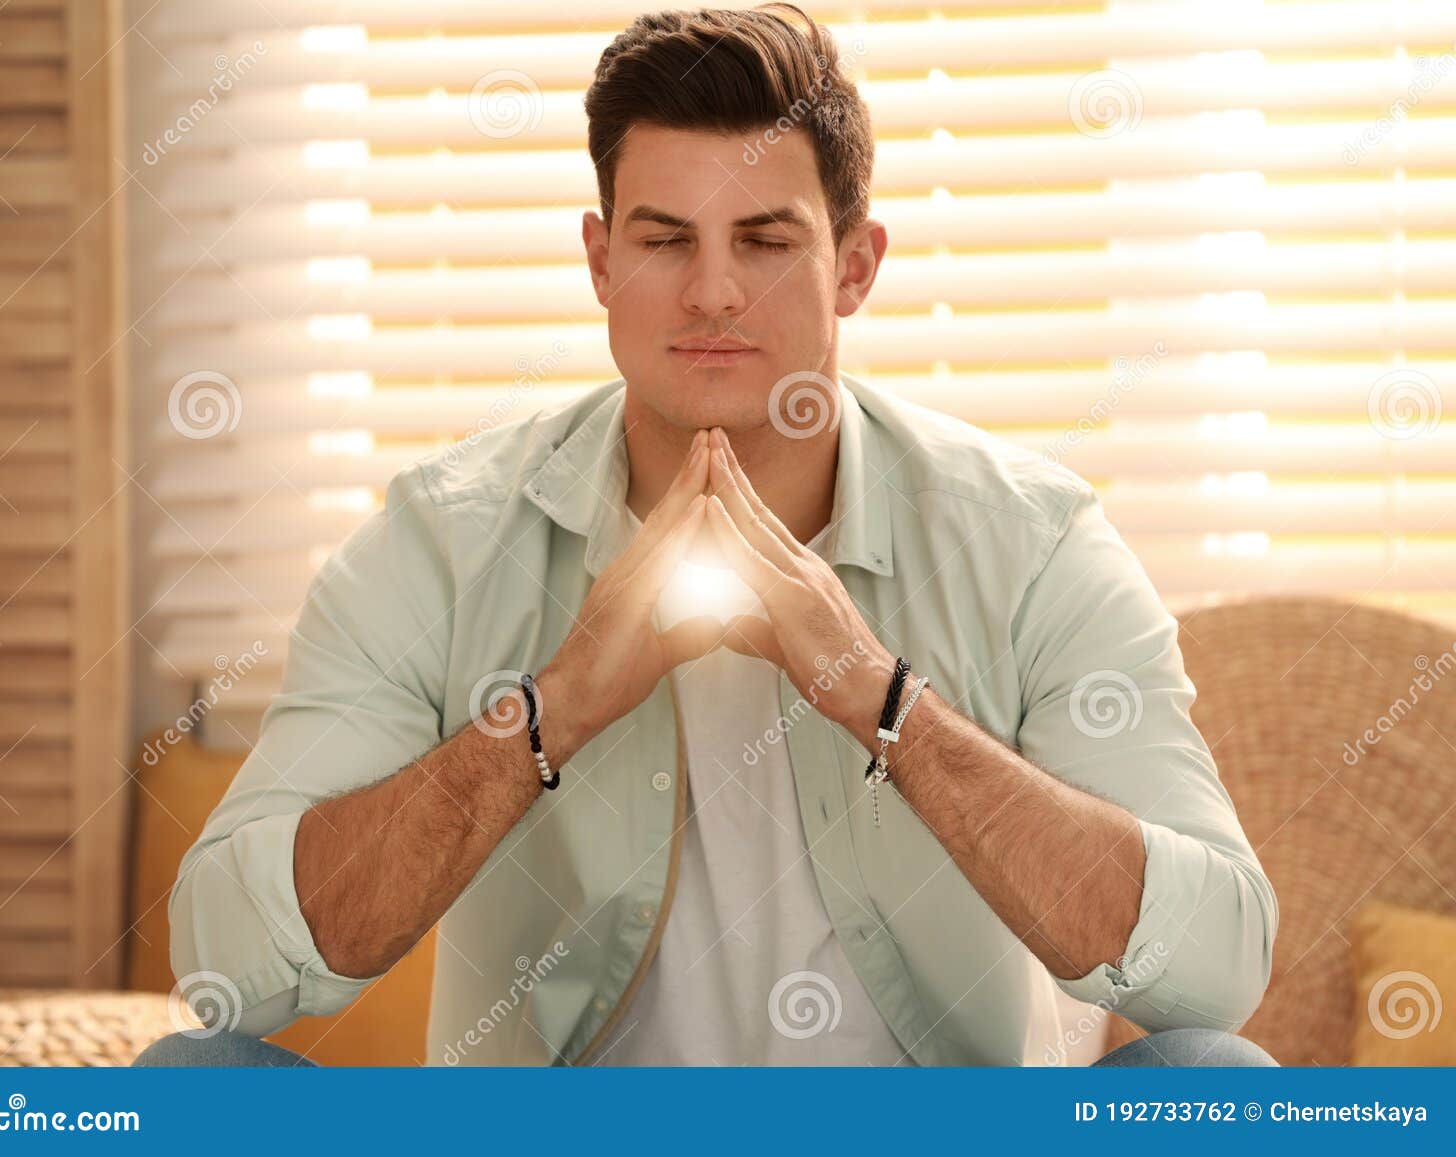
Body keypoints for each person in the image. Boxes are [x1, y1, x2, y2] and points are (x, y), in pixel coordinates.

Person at [137, 4, 1278, 1069]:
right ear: (599, 261)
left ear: (857, 267)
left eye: (768, 240)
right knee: (199, 1078)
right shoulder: (440, 541)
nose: (714, 291)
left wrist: (884, 700)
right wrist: (551, 710)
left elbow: (1216, 970)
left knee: (1213, 1080)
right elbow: (227, 964)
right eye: (665, 239)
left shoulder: (1032, 544)